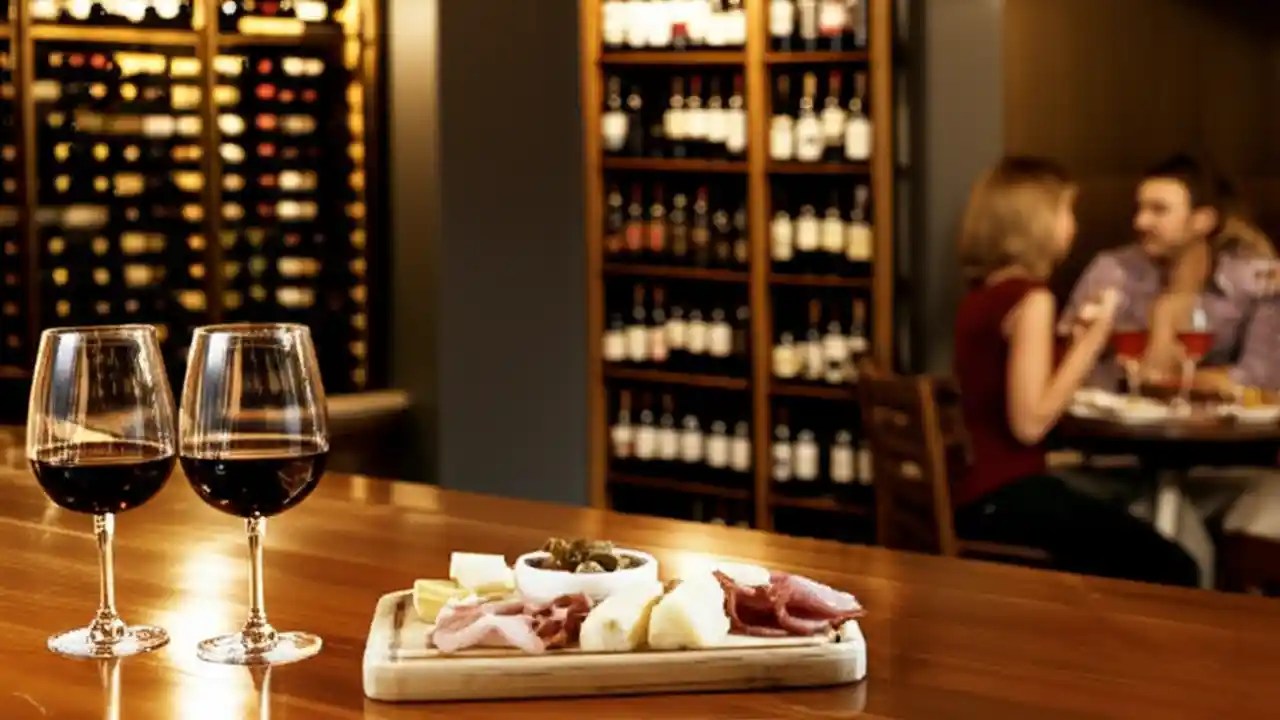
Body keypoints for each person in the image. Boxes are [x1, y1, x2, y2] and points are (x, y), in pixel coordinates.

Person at [953, 156, 1200, 588]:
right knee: (1176, 567)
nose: (1073, 226)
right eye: (1067, 212)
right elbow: (1030, 424)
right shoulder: (1032, 299)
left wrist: (1074, 340)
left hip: (975, 495)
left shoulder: (987, 292)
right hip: (1007, 496)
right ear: (1036, 222)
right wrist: (1093, 340)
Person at [1061, 154, 1280, 393]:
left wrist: (1174, 382)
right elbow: (1073, 368)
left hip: (1225, 426)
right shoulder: (1112, 270)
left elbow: (1262, 376)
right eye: (1140, 208)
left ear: (1202, 221)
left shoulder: (1255, 278)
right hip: (1119, 424)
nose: (1140, 221)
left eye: (1159, 210)